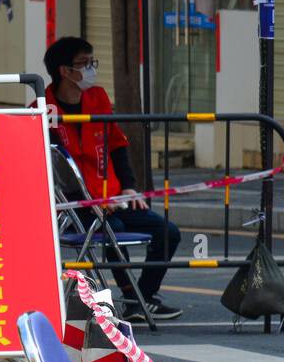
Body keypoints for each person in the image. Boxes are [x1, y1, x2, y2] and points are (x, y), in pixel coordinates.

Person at [41, 36, 182, 320]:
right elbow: (55, 167)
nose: (92, 69)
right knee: (112, 229)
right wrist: (91, 203)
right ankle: (134, 299)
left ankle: (142, 297)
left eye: (93, 62)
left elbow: (116, 145)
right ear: (64, 71)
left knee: (168, 232)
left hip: (113, 197)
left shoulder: (98, 98)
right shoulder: (45, 108)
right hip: (76, 206)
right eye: (85, 63)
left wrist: (129, 187)